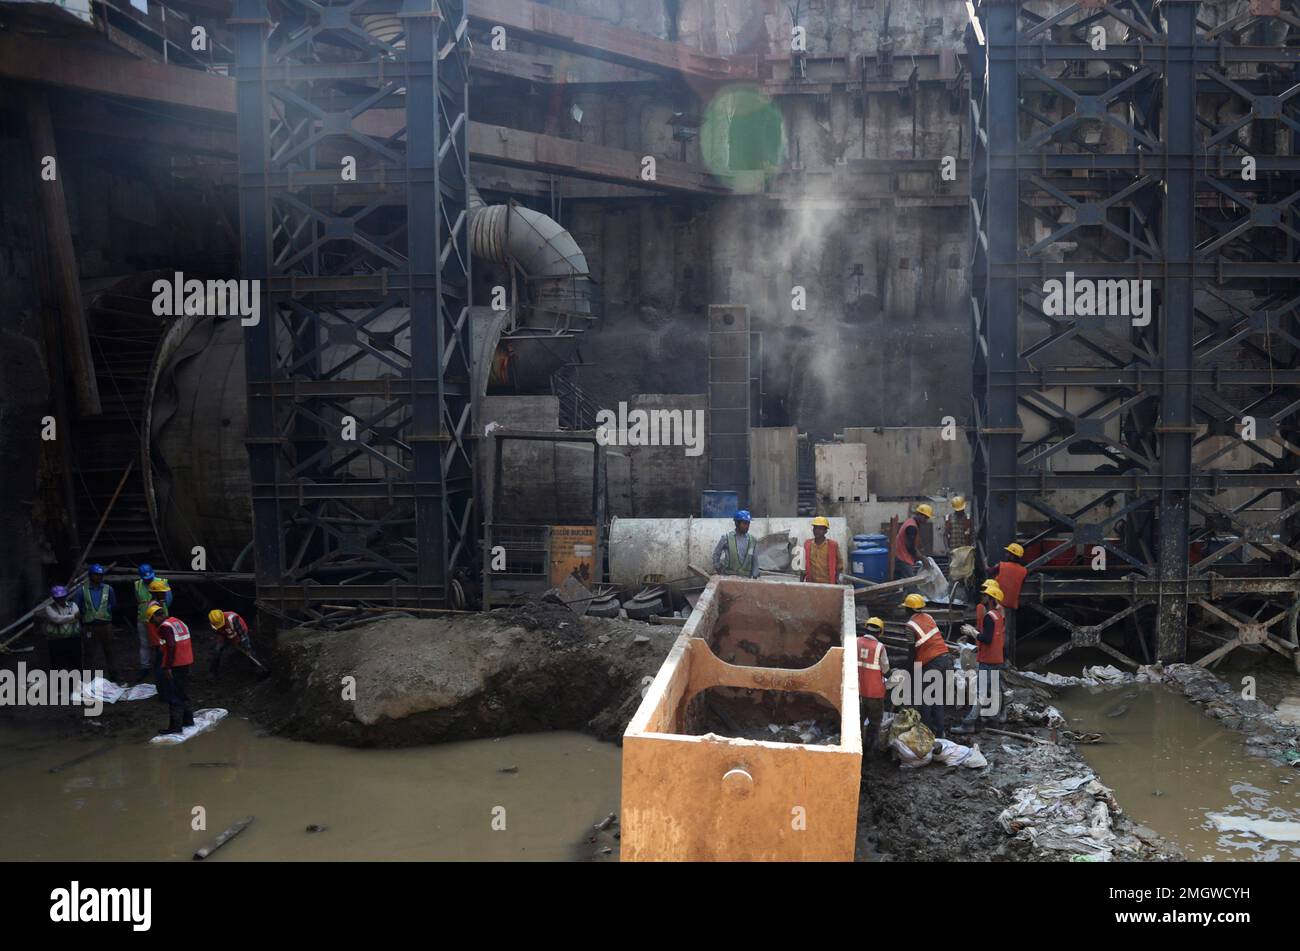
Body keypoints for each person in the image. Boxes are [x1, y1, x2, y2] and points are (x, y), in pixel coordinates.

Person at [952, 580, 1007, 735]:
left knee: (981, 692)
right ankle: (995, 715)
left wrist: (971, 632)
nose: (982, 596)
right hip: (996, 658)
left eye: (985, 594)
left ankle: (969, 723)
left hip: (988, 659)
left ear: (990, 598)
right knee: (993, 688)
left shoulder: (990, 616)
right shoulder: (998, 615)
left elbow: (986, 638)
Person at [901, 592, 951, 739]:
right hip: (945, 659)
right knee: (937, 697)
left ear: (909, 609)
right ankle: (940, 731)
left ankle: (927, 733)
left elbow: (912, 652)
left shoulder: (910, 626)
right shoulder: (929, 617)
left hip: (932, 662)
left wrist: (907, 670)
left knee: (925, 700)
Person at [147, 604, 194, 735]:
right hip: (186, 661)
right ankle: (188, 721)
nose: (153, 624)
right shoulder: (177, 621)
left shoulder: (165, 627)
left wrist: (167, 666)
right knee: (182, 691)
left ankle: (175, 726)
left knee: (173, 696)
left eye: (152, 620)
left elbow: (171, 645)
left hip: (176, 664)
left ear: (156, 616)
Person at [74, 564, 118, 682]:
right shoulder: (82, 590)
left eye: (101, 575)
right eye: (96, 575)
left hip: (106, 625)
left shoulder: (108, 589)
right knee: (89, 654)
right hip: (89, 626)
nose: (99, 577)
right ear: (90, 576)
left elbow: (113, 604)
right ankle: (88, 680)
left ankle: (115, 677)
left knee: (110, 651)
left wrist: (106, 612)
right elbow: (76, 607)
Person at [987, 541, 1028, 665]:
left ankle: (997, 657)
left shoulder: (1002, 565)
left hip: (997, 602)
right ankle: (1006, 658)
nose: (1006, 554)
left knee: (994, 630)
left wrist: (984, 563)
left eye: (1008, 553)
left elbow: (989, 571)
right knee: (1006, 632)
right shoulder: (1024, 571)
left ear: (1011, 555)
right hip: (1011, 604)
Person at [857, 616, 890, 756]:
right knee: (874, 723)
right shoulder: (880, 647)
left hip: (856, 690)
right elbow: (886, 668)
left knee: (857, 721)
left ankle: (856, 749)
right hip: (875, 693)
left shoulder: (855, 641)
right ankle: (869, 752)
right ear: (880, 632)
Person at [134, 564, 172, 681]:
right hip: (143, 618)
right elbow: (137, 599)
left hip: (160, 619)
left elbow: (169, 600)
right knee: (145, 644)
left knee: (161, 643)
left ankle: (163, 665)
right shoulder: (137, 584)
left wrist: (159, 614)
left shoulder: (162, 582)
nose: (148, 580)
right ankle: (145, 667)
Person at [207, 609, 263, 678]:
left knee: (250, 652)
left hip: (240, 634)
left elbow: (242, 635)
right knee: (216, 651)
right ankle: (213, 672)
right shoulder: (214, 622)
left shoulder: (232, 618)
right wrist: (225, 639)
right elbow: (219, 633)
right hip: (225, 635)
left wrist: (246, 647)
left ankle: (256, 668)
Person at [42, 586, 82, 673]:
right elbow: (57, 619)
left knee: (76, 663)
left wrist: (66, 618)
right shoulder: (49, 608)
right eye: (58, 598)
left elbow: (77, 617)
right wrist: (72, 617)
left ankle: (77, 684)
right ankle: (59, 685)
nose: (61, 599)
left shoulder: (73, 605)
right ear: (54, 598)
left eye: (62, 597)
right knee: (58, 665)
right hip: (56, 641)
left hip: (73, 638)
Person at [712, 510, 760, 578]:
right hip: (729, 577)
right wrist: (717, 567)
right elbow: (716, 553)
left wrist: (755, 576)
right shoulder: (727, 538)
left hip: (746, 579)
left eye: (748, 523)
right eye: (744, 523)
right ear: (737, 523)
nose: (747, 526)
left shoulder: (753, 540)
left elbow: (755, 561)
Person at [892, 503, 933, 580]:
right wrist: (923, 559)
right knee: (912, 584)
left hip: (899, 556)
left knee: (899, 583)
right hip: (903, 558)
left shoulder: (911, 522)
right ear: (920, 515)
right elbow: (910, 548)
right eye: (926, 518)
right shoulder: (912, 527)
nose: (926, 521)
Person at [802, 516, 841, 584]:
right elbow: (803, 566)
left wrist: (836, 579)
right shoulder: (807, 544)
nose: (817, 531)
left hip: (828, 583)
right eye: (815, 528)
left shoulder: (833, 545)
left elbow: (839, 565)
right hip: (811, 583)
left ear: (825, 531)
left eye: (820, 529)